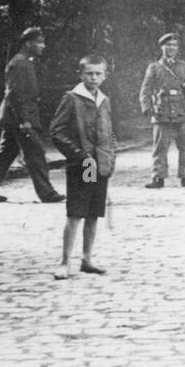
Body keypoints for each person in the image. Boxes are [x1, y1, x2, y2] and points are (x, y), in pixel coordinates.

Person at [0, 28, 64, 204]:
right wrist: (24, 120)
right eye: (39, 42)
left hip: (15, 116)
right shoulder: (19, 63)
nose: (43, 46)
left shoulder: (25, 62)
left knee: (5, 153)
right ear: (27, 43)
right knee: (36, 152)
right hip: (19, 118)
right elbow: (14, 94)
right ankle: (47, 194)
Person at [49, 55, 116, 279]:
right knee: (76, 212)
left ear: (105, 76)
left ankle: (87, 259)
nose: (94, 78)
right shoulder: (72, 98)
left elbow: (109, 133)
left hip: (101, 164)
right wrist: (78, 155)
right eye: (89, 73)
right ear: (81, 74)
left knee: (94, 213)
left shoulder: (104, 100)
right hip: (83, 164)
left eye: (98, 73)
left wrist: (110, 158)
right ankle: (64, 261)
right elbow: (56, 131)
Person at [140, 33, 185, 189]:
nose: (171, 48)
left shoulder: (184, 66)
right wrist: (147, 107)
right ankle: (158, 177)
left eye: (174, 45)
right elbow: (145, 89)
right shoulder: (154, 67)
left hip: (183, 111)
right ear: (162, 47)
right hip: (162, 111)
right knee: (160, 147)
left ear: (177, 48)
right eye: (168, 45)